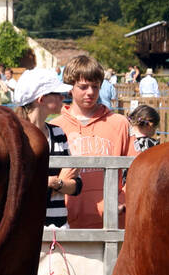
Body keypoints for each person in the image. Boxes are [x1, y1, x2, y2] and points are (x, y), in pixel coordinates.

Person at [56, 54, 133, 229]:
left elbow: (139, 168)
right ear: (70, 87)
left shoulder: (120, 123)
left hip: (112, 223)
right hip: (66, 225)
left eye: (95, 87)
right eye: (83, 87)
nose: (90, 92)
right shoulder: (55, 127)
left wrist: (123, 200)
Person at [14, 68, 79, 227]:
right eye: (57, 93)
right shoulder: (15, 135)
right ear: (41, 99)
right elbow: (14, 183)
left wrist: (56, 184)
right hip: (23, 229)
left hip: (58, 227)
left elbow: (76, 185)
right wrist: (50, 182)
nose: (62, 97)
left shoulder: (58, 133)